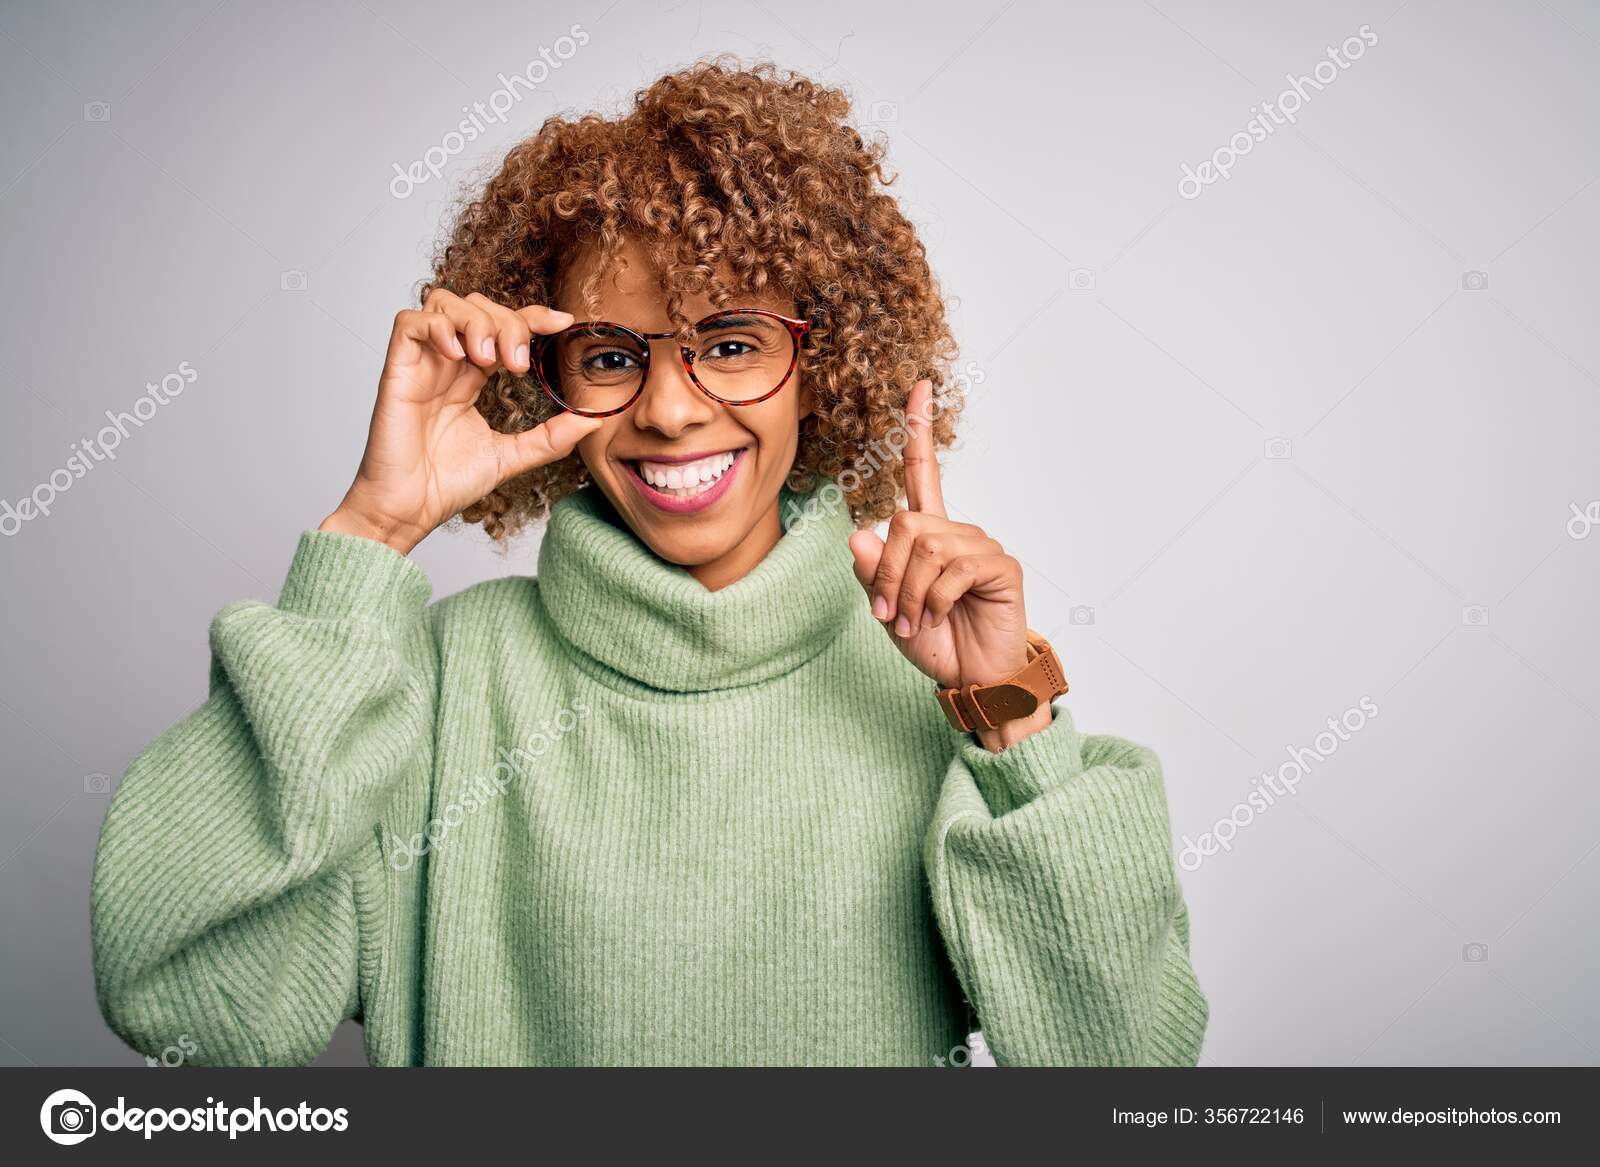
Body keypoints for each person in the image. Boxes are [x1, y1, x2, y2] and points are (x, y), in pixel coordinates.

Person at [90, 59, 1206, 1066]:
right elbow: (193, 1009)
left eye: (729, 343)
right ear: (543, 375)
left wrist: (1007, 718)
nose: (671, 410)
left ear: (824, 363)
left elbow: (1124, 1069)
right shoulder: (428, 686)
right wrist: (369, 536)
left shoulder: (938, 701)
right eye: (612, 356)